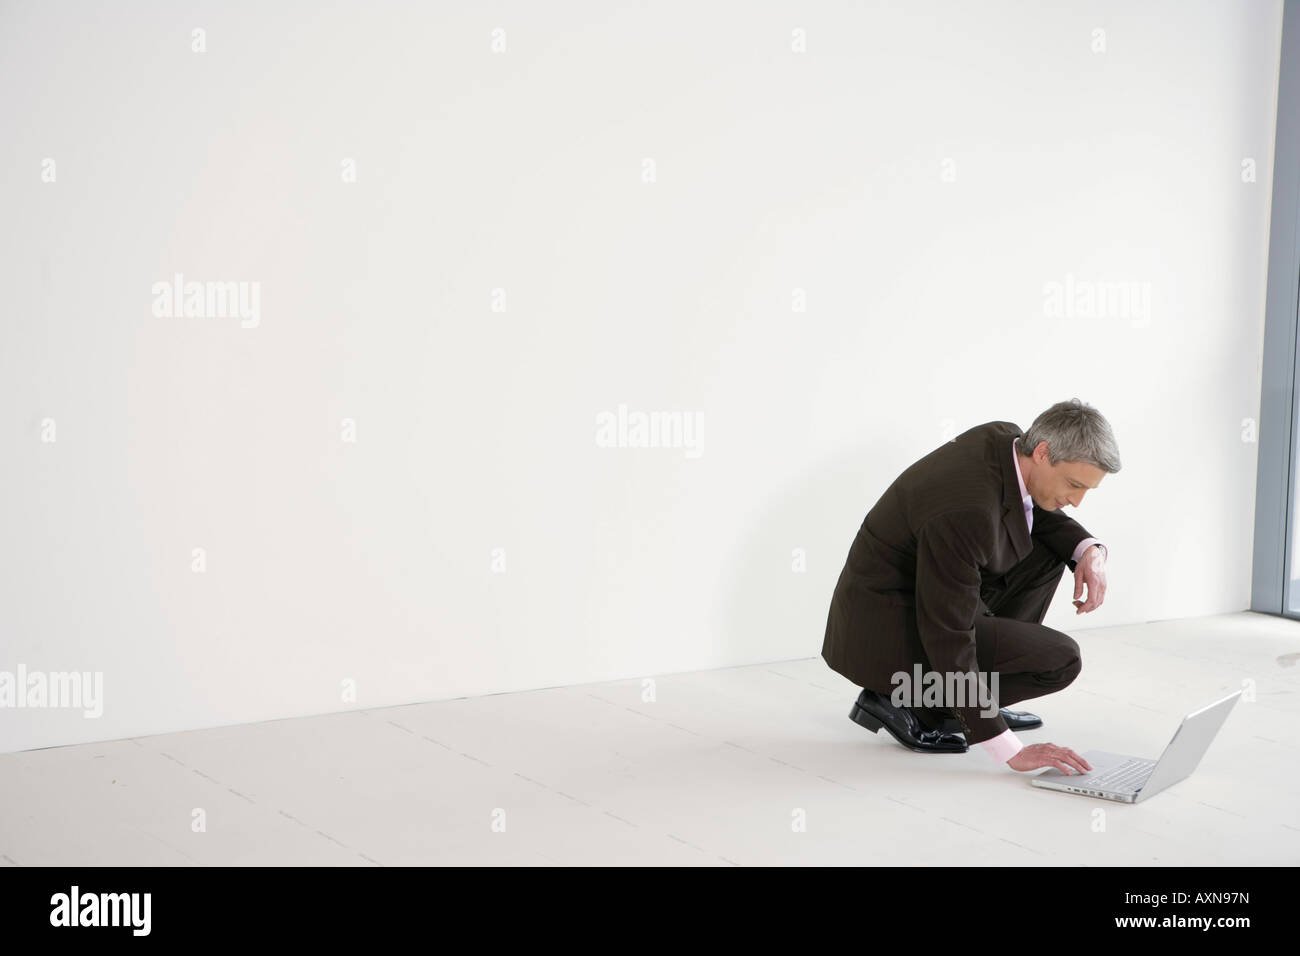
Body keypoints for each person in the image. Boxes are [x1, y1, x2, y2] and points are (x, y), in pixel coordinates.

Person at [821, 398, 1121, 775]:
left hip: (926, 593)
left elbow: (1033, 510)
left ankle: (966, 697)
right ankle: (909, 701)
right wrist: (1005, 746)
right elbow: (948, 632)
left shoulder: (1007, 440)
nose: (1076, 502)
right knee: (1060, 660)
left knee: (1049, 549)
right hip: (885, 630)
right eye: (1074, 485)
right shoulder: (967, 508)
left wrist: (1087, 551)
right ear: (1044, 452)